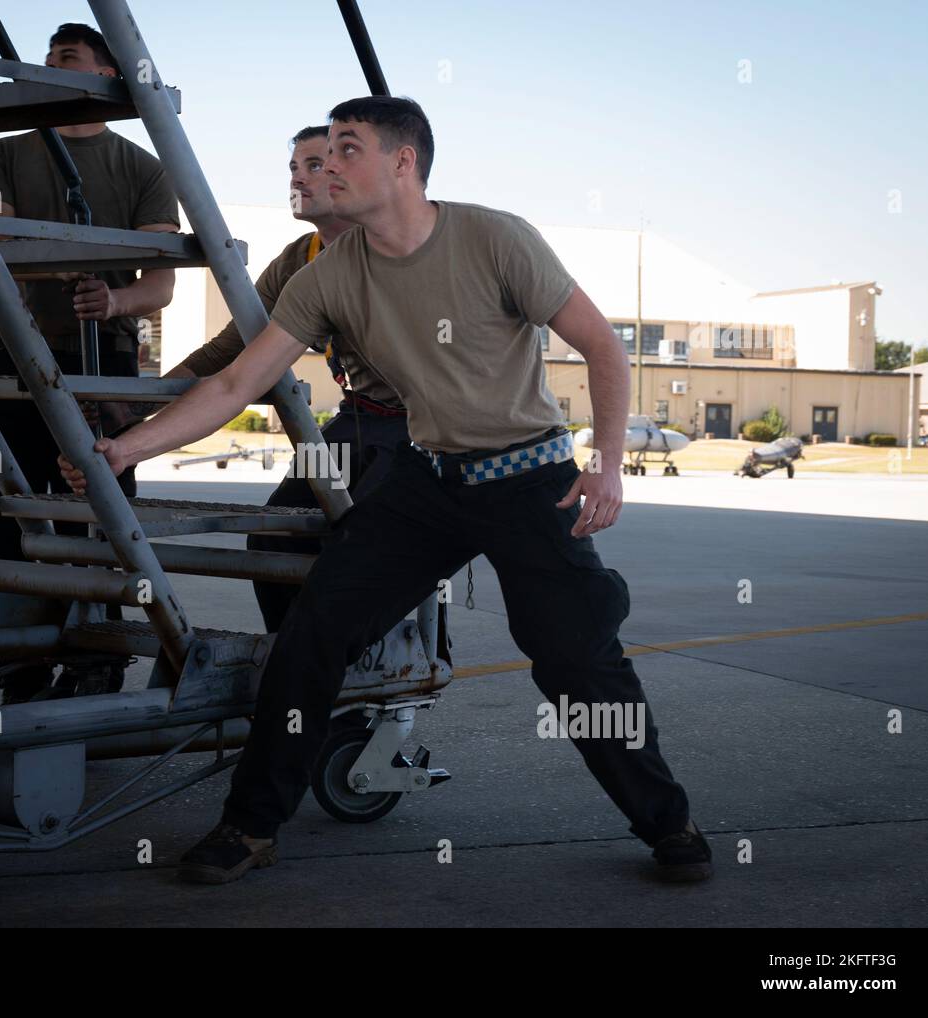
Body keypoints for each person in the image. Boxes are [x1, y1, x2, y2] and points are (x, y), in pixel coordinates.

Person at [60, 96, 711, 885]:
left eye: (346, 148)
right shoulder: (330, 272)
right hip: (426, 480)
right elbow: (237, 379)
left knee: (575, 661)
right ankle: (251, 824)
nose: (327, 164)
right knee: (312, 633)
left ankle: (667, 823)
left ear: (403, 163)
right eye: (323, 150)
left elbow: (602, 344)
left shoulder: (494, 237)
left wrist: (606, 462)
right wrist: (123, 447)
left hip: (527, 478)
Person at [158, 124, 443, 646]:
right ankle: (301, 665)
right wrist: (132, 409)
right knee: (273, 539)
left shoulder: (397, 243)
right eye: (294, 168)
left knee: (366, 544)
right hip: (357, 421)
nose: (300, 179)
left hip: (424, 425)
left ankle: (390, 660)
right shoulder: (299, 259)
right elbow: (230, 351)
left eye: (315, 165)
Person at [0, 22, 180, 702]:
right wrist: (60, 265)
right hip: (17, 353)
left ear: (105, 75)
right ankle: (22, 658)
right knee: (3, 504)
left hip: (103, 359)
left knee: (95, 509)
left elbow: (163, 283)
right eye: (50, 57)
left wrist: (113, 298)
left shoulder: (142, 167)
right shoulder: (5, 151)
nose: (54, 66)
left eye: (69, 57)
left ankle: (99, 653)